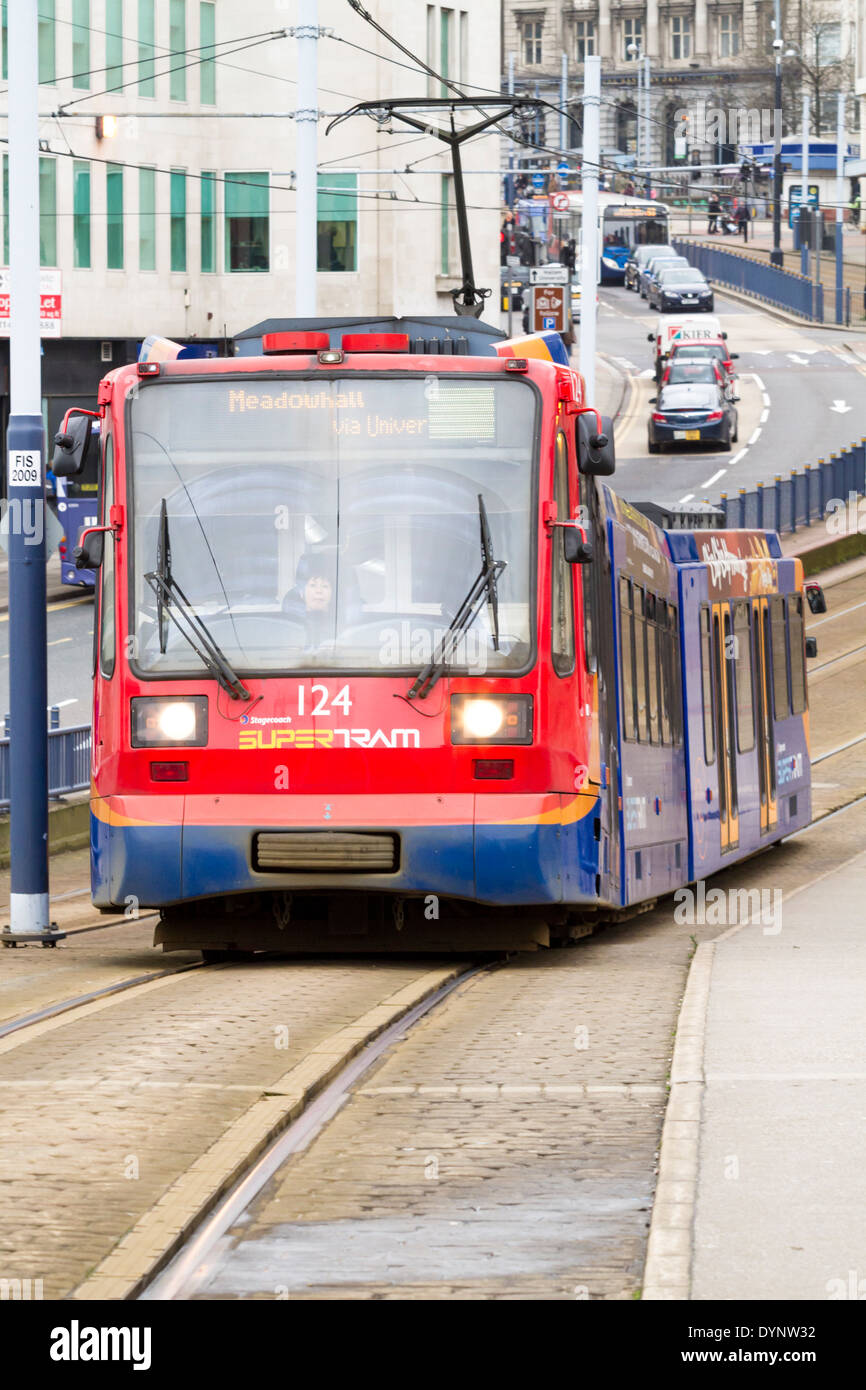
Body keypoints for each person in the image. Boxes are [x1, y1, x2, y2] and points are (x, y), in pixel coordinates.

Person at [282, 551, 337, 647]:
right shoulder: (289, 629)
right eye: (313, 585)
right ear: (301, 592)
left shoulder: (341, 627)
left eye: (325, 586)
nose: (319, 591)